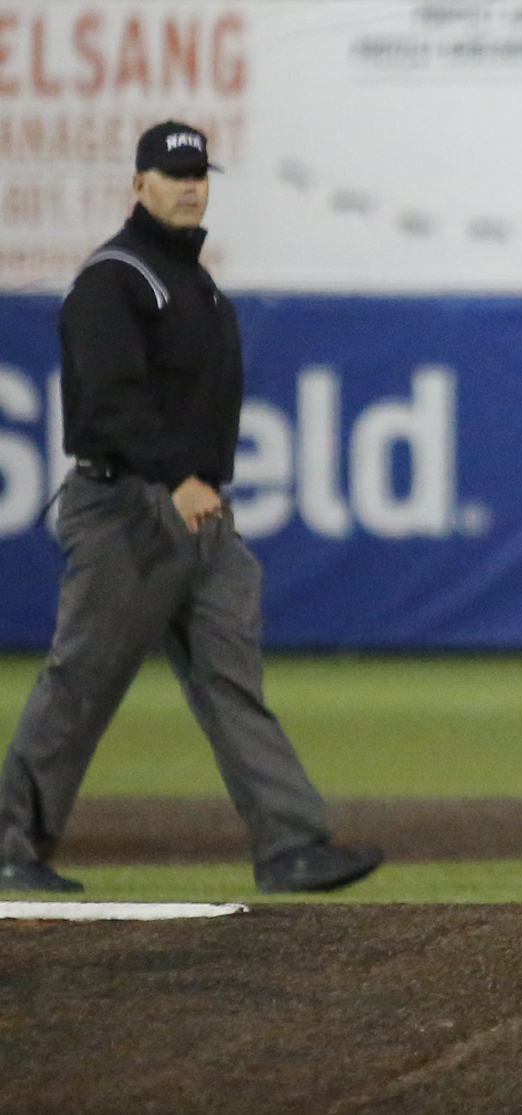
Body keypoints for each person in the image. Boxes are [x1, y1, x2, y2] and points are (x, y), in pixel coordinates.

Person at [0, 122, 384, 894]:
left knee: (230, 682)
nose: (189, 185)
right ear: (137, 184)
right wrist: (178, 476)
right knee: (83, 683)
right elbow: (109, 403)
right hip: (128, 511)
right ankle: (11, 846)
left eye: (198, 173)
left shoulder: (191, 281)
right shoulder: (115, 279)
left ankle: (290, 845)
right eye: (173, 173)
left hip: (199, 516)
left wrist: (197, 485)